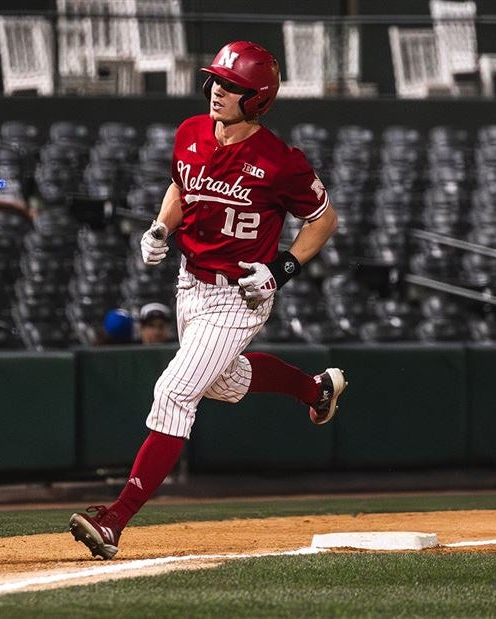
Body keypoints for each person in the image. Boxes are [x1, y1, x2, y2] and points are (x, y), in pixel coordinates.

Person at [68, 41, 348, 560]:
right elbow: (180, 185)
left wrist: (282, 269)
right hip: (190, 284)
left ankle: (115, 519)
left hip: (241, 294)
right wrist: (159, 226)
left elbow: (323, 219)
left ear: (258, 99)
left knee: (175, 390)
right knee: (223, 380)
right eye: (216, 80)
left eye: (233, 85)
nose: (218, 89)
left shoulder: (281, 161)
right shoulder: (190, 132)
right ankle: (314, 389)